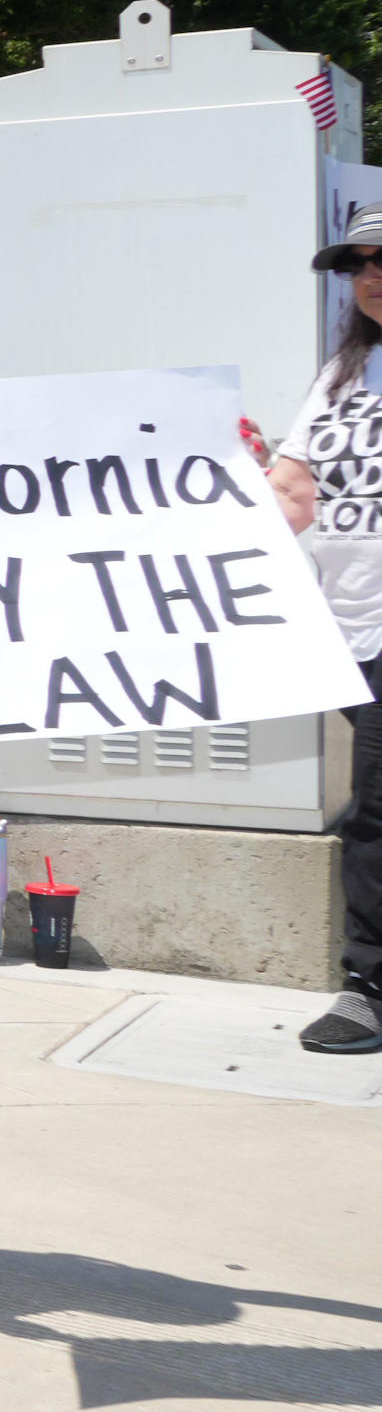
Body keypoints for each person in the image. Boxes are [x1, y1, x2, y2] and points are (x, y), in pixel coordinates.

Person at [268, 205, 382, 1054]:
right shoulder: (344, 374)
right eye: (358, 264)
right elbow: (294, 493)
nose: (371, 277)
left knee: (371, 812)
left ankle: (365, 986)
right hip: (353, 633)